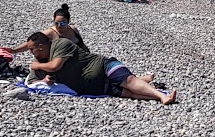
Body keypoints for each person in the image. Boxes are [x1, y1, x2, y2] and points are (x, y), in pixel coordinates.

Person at [23, 32, 176, 104]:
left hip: (103, 66)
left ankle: (162, 95)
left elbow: (56, 66)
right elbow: (31, 82)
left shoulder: (61, 44)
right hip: (96, 86)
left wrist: (39, 66)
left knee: (128, 81)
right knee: (130, 94)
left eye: (32, 49)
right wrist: (44, 79)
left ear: (41, 46)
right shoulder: (39, 62)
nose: (31, 53)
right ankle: (159, 96)